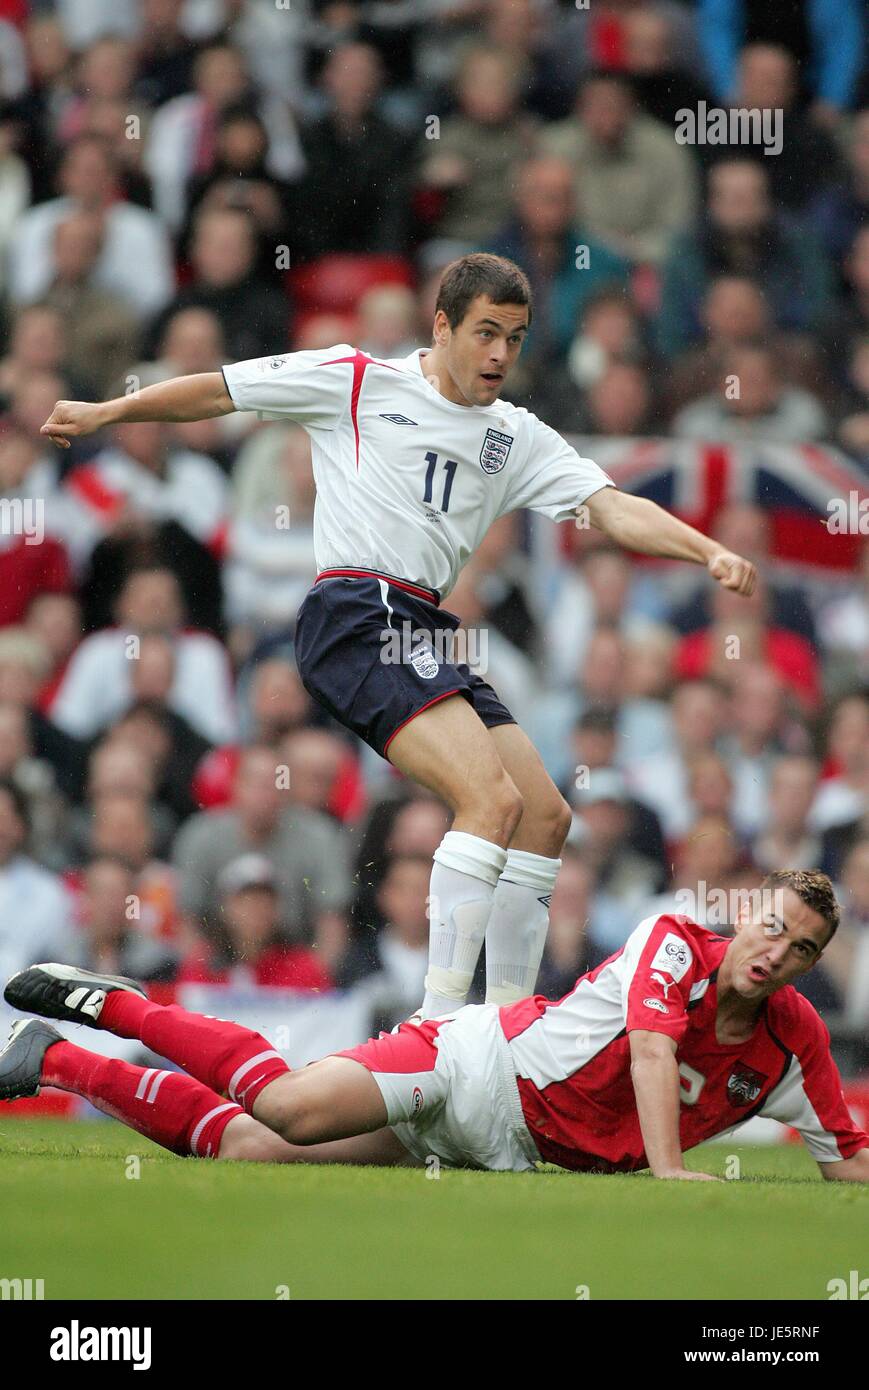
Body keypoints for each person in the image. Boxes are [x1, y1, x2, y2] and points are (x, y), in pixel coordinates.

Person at [36, 251, 757, 1024]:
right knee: (488, 798)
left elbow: (610, 507)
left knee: (544, 815)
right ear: (441, 325)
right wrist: (111, 412)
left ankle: (512, 1027)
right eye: (484, 333)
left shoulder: (514, 435)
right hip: (356, 612)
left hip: (422, 629)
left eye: (514, 338)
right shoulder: (354, 379)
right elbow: (220, 391)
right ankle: (442, 1024)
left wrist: (704, 547)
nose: (499, 355)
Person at [5, 870, 869, 1182]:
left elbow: (845, 1161)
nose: (774, 954)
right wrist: (672, 1174)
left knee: (245, 1153)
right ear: (745, 915)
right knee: (287, 1111)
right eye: (769, 928)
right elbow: (650, 1051)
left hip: (499, 1151)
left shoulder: (794, 1040)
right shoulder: (675, 941)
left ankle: (58, 1061)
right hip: (471, 1066)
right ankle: (116, 1004)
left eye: (798, 950)